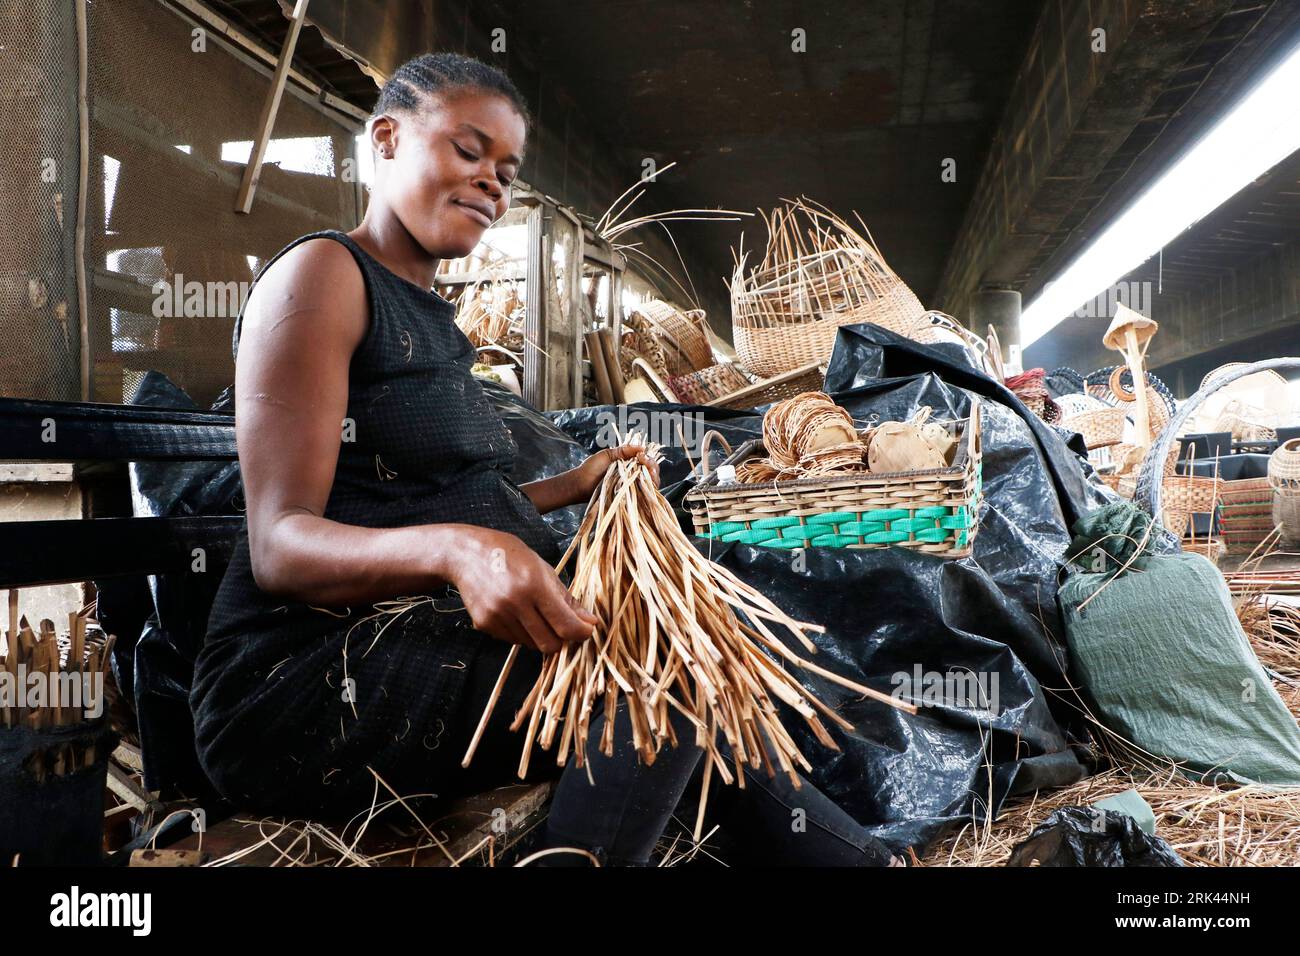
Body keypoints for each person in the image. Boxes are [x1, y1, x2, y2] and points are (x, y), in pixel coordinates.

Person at [190, 51, 899, 866]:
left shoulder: (432, 314)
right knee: (651, 679)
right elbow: (280, 544)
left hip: (413, 631)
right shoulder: (322, 276)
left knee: (690, 645)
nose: (492, 181)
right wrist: (460, 551)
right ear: (385, 140)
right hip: (299, 681)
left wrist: (576, 483)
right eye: (468, 149)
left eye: (506, 168)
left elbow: (415, 492)